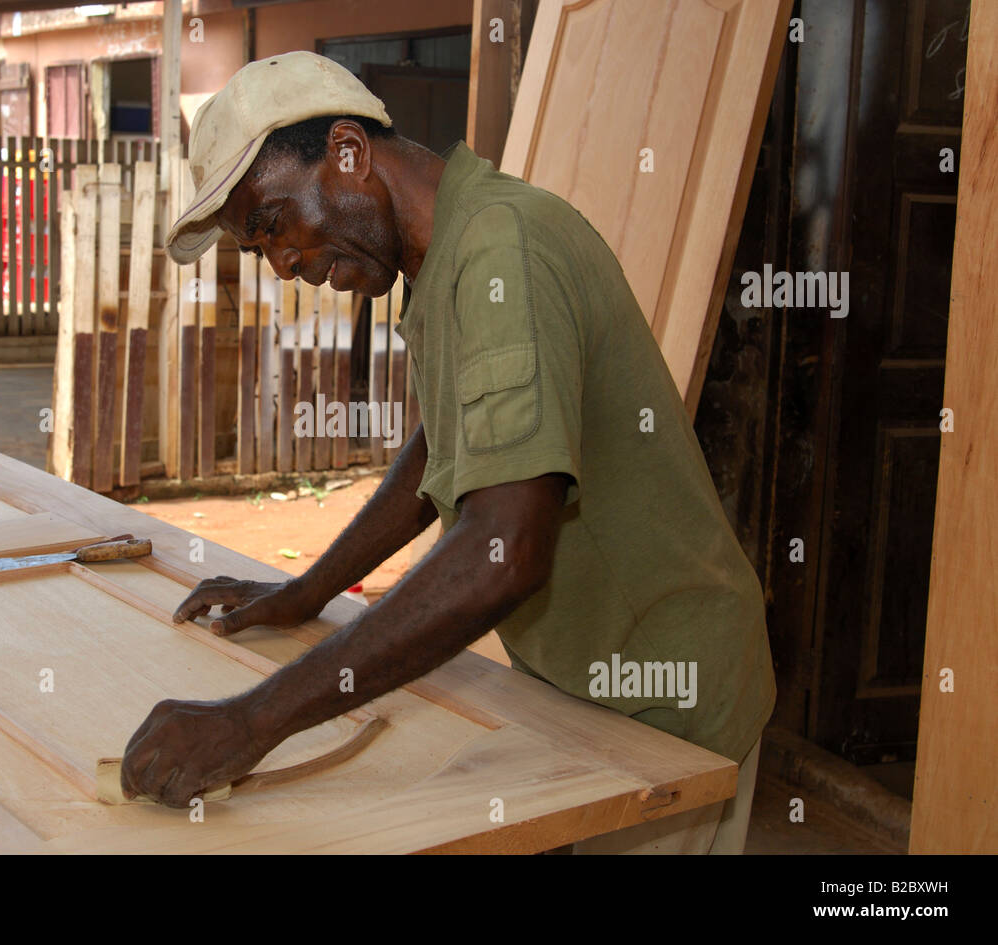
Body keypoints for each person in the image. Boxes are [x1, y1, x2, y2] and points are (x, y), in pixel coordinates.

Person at [121, 51, 774, 854]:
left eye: (271, 223)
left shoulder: (505, 253)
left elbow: (505, 551)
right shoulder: (446, 258)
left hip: (667, 704)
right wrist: (308, 589)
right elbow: (443, 450)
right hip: (583, 682)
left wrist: (252, 720)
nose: (285, 263)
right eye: (261, 251)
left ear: (350, 150)